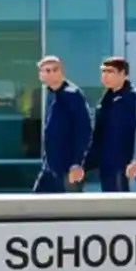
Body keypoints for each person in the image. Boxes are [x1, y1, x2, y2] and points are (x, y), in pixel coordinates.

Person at [33, 56, 92, 194]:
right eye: (47, 70)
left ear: (62, 71)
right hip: (50, 166)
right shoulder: (49, 94)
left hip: (68, 167)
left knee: (72, 210)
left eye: (55, 69)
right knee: (35, 205)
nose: (52, 73)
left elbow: (84, 130)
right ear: (40, 75)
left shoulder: (72, 94)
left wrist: (77, 163)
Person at [86, 57, 136, 193]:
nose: (105, 76)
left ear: (123, 73)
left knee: (121, 201)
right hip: (106, 161)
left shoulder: (132, 97)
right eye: (103, 72)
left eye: (110, 72)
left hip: (123, 161)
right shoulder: (107, 97)